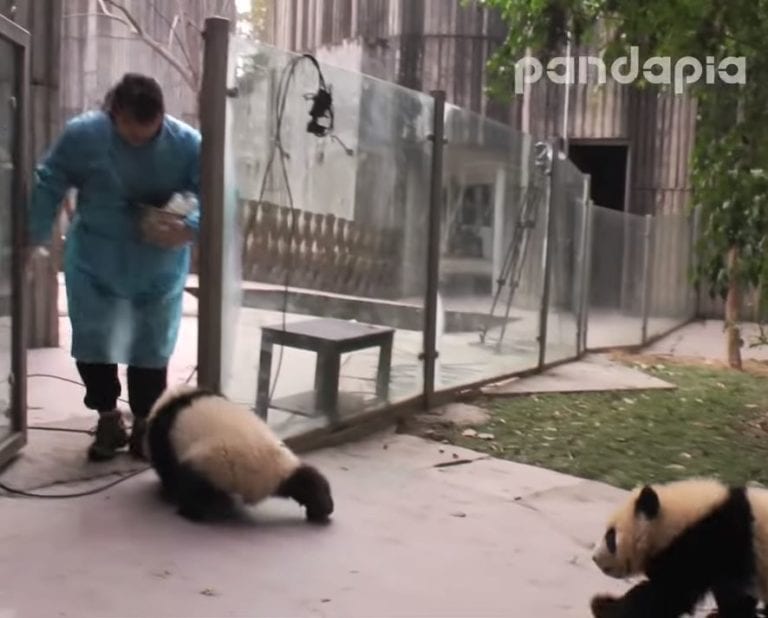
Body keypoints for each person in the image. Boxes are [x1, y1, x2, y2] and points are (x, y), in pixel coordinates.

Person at [26, 73, 201, 461]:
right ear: (114, 112)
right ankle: (108, 417)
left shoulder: (188, 144)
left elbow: (210, 190)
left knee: (151, 349)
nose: (140, 138)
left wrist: (189, 227)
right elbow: (50, 181)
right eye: (130, 130)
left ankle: (144, 423)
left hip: (158, 262)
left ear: (162, 116)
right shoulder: (83, 135)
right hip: (95, 260)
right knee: (93, 343)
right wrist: (33, 238)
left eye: (149, 131)